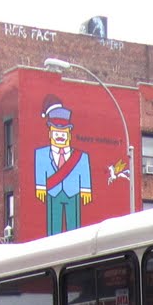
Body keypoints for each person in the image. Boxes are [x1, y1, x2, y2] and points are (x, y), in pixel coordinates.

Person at [34, 97, 92, 235]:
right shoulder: (41, 154)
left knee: (75, 227)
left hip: (73, 193)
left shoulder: (81, 156)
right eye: (56, 133)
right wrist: (40, 186)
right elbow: (40, 169)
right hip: (53, 193)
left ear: (69, 135)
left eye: (63, 133)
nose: (60, 136)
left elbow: (84, 171)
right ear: (50, 133)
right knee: (54, 228)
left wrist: (86, 189)